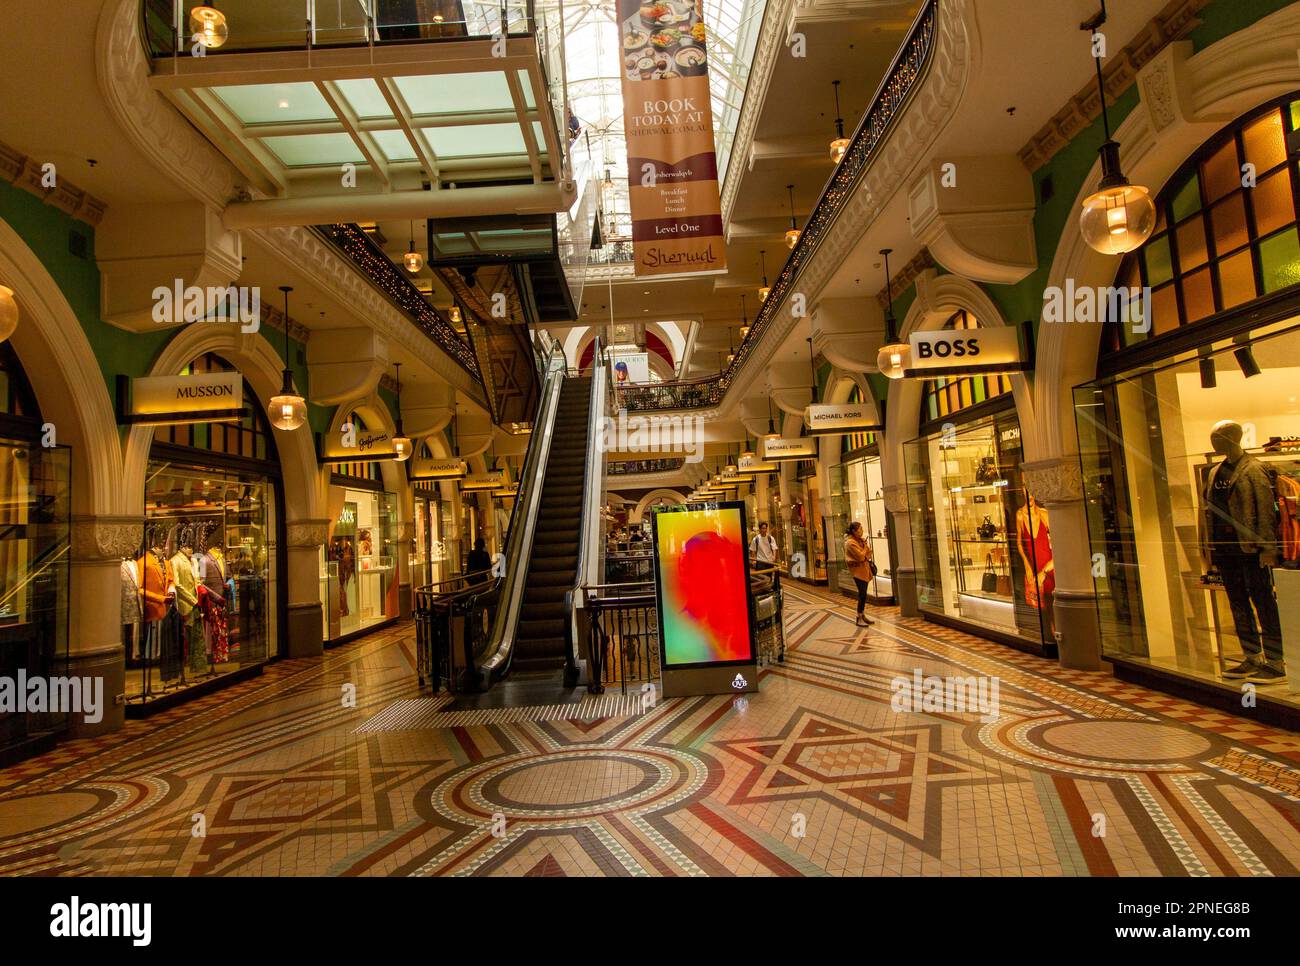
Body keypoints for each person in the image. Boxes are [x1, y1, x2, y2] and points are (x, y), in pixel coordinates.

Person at [844, 522, 874, 627]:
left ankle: (862, 614)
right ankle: (859, 617)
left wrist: (864, 553)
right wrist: (864, 550)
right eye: (860, 529)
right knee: (862, 594)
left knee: (864, 594)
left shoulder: (860, 541)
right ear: (854, 531)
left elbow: (869, 554)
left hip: (864, 570)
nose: (861, 531)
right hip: (858, 572)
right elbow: (861, 556)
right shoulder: (850, 543)